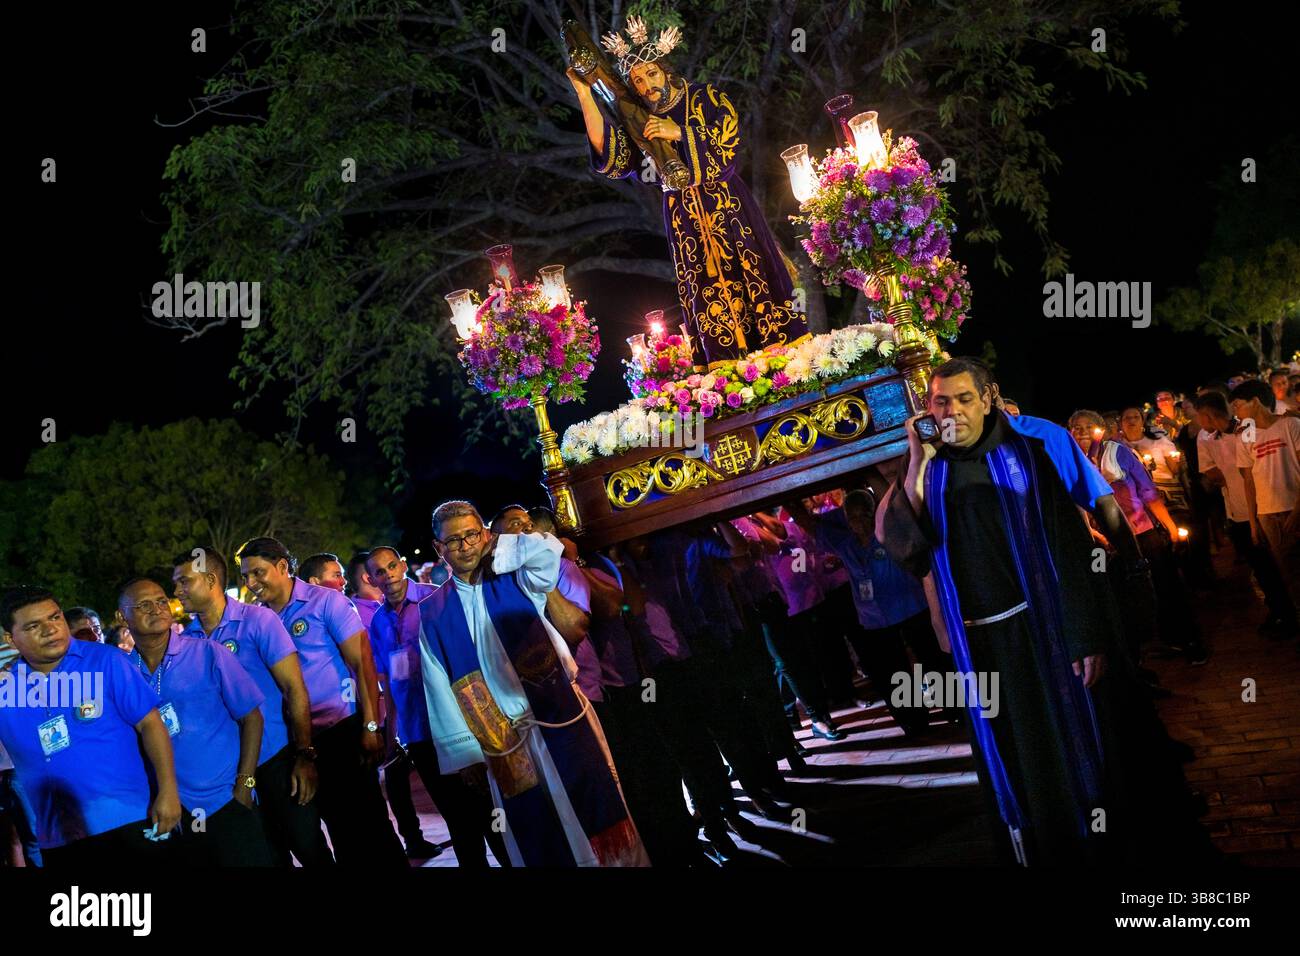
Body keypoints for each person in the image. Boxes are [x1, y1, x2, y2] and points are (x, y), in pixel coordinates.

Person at [879, 358, 1213, 865]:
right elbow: (905, 544)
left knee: (1070, 744)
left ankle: (1096, 843)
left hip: (1043, 631)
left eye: (964, 399)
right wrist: (917, 460)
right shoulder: (931, 467)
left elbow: (1070, 545)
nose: (952, 412)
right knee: (1017, 755)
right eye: (940, 401)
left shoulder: (1029, 454)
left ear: (987, 399)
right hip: (982, 649)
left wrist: (1084, 632)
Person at [417, 500, 647, 866]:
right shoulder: (433, 611)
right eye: (453, 540)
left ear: (486, 535)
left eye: (472, 535)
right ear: (437, 547)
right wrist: (467, 755)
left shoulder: (516, 574)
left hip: (559, 718)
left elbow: (548, 550)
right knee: (536, 834)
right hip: (504, 740)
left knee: (591, 821)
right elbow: (438, 683)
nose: (465, 546)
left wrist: (500, 546)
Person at [568, 14, 804, 364]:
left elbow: (728, 145)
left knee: (756, 278)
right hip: (685, 222)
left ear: (665, 70)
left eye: (651, 73)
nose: (647, 85)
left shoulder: (705, 97)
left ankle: (787, 362)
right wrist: (584, 93)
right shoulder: (638, 123)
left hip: (729, 207)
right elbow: (610, 157)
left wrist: (678, 132)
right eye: (637, 80)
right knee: (706, 293)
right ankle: (729, 371)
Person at [235, 536, 407, 867]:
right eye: (245, 576)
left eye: (257, 573)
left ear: (282, 566)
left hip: (342, 733)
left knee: (370, 827)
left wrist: (371, 726)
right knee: (339, 832)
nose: (251, 583)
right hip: (299, 744)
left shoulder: (325, 601)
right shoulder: (258, 620)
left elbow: (362, 662)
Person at [0, 586, 182, 867]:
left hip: (131, 819)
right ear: (10, 639)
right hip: (59, 836)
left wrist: (168, 791)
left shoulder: (106, 660)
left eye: (55, 617)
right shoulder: (6, 688)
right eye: (34, 626)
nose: (50, 630)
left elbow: (151, 724)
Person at [173, 547, 332, 865]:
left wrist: (304, 755)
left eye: (184, 581)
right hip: (231, 777)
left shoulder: (257, 620)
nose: (177, 591)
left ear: (211, 580)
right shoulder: (187, 642)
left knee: (311, 852)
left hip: (277, 762)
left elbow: (294, 688)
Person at [367, 545, 507, 865]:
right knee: (455, 817)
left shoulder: (436, 598)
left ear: (403, 566)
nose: (388, 575)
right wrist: (392, 734)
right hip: (419, 732)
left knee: (488, 811)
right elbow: (389, 682)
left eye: (392, 566)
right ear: (371, 579)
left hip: (458, 722)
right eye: (379, 572)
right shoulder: (378, 622)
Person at [788, 489, 953, 737]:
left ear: (873, 512)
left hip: (911, 608)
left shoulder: (888, 532)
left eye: (863, 515)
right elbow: (809, 525)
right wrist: (789, 501)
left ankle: (955, 710)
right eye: (852, 517)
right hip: (875, 620)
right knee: (893, 673)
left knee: (933, 661)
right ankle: (913, 722)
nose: (859, 522)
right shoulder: (845, 543)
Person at [1069, 409, 1208, 666]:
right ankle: (1137, 657)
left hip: (1141, 534)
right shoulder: (1070, 462)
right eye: (1076, 428)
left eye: (1088, 426)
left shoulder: (1118, 453)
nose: (1082, 432)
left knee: (1165, 585)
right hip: (1105, 544)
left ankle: (1187, 640)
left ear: (1101, 430)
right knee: (1121, 598)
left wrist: (1170, 528)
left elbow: (1148, 492)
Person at [1195, 392, 1297, 638]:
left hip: (1267, 506)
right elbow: (1213, 473)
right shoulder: (1207, 438)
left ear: (1207, 414)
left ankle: (1289, 613)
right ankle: (1279, 610)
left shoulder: (1249, 430)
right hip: (1240, 511)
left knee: (1284, 565)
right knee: (1262, 567)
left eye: (1200, 416)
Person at [1230, 379, 1300, 577]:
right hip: (1267, 513)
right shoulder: (1246, 436)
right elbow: (1249, 481)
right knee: (1289, 573)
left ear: (1255, 401)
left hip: (1294, 506)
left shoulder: (1291, 424)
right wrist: (1254, 524)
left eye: (1237, 405)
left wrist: (1297, 511)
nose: (1235, 412)